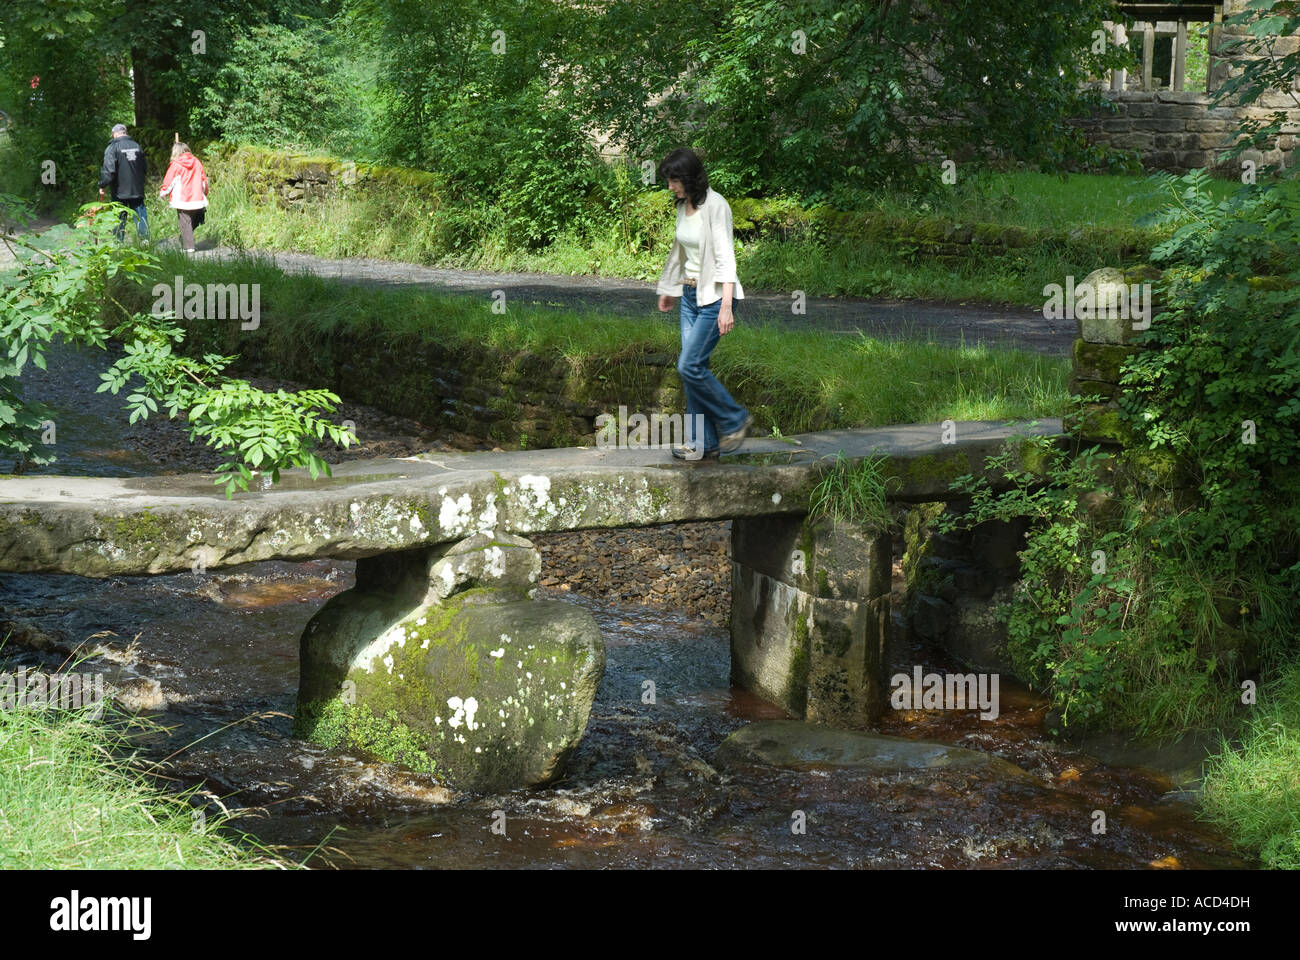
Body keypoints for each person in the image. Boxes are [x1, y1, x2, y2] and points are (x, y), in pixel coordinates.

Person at [655, 148, 753, 461]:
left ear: (689, 176)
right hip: (689, 297)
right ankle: (703, 443)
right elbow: (680, 252)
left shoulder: (717, 206)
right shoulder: (684, 206)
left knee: (689, 365)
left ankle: (735, 419)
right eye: (668, 181)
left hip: (714, 299)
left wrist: (726, 306)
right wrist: (670, 288)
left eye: (674, 180)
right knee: (693, 369)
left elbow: (726, 257)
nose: (670, 186)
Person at [98, 123, 148, 241]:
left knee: (119, 217)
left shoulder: (112, 148)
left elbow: (109, 171)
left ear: (114, 134)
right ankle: (145, 241)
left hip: (119, 191)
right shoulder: (137, 146)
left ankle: (118, 242)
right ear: (125, 133)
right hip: (137, 189)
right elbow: (144, 167)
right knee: (140, 216)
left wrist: (102, 184)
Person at [159, 142, 209, 253]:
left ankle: (189, 247)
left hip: (182, 199)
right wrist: (205, 192)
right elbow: (204, 181)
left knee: (185, 223)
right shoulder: (197, 162)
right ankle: (187, 240)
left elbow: (169, 181)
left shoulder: (176, 164)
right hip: (197, 198)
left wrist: (163, 192)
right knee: (193, 221)